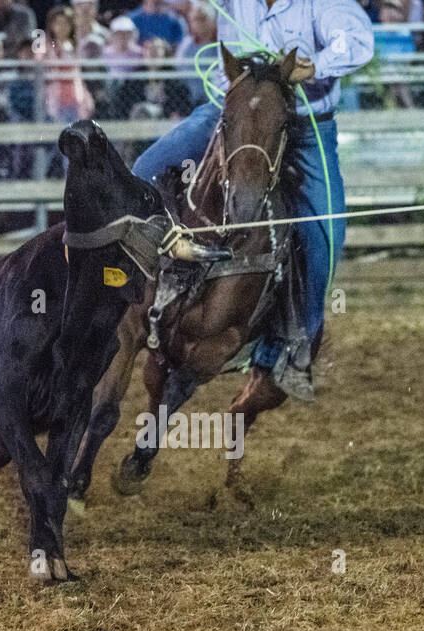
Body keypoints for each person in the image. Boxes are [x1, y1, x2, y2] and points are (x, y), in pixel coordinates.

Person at [129, 0, 374, 378]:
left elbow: (356, 38)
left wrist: (317, 66)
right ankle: (131, 299)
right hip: (232, 116)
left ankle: (290, 350)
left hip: (306, 126)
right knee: (144, 174)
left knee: (324, 238)